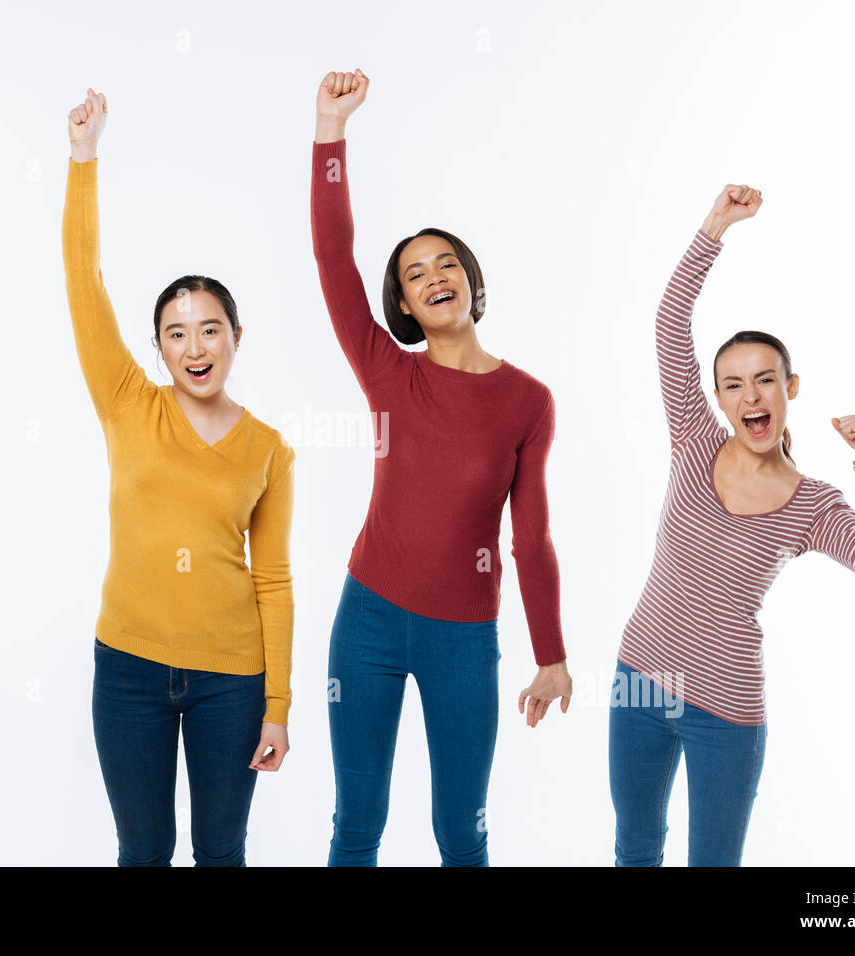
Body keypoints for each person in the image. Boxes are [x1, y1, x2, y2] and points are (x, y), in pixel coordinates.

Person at [311, 70, 572, 867]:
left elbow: (532, 536)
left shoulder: (528, 400)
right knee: (357, 825)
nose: (434, 276)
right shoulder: (390, 373)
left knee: (463, 834)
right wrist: (330, 132)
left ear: (470, 280)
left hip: (464, 639)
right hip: (368, 622)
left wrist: (552, 654)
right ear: (403, 304)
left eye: (446, 263)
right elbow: (332, 252)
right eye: (415, 273)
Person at [609, 184, 855, 866]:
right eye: (734, 384)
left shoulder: (812, 503)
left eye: (765, 380)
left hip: (727, 714)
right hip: (638, 679)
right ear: (716, 397)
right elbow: (668, 320)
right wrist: (714, 229)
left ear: (789, 388)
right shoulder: (692, 436)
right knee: (635, 846)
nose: (750, 396)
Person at [63, 88, 296, 867]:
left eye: (209, 330)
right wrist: (84, 160)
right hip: (126, 669)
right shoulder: (128, 401)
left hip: (232, 682)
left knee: (221, 851)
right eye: (175, 333)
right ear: (157, 347)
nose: (194, 348)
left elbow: (274, 582)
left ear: (236, 338)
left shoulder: (270, 449)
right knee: (142, 848)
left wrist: (278, 706)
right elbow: (81, 273)